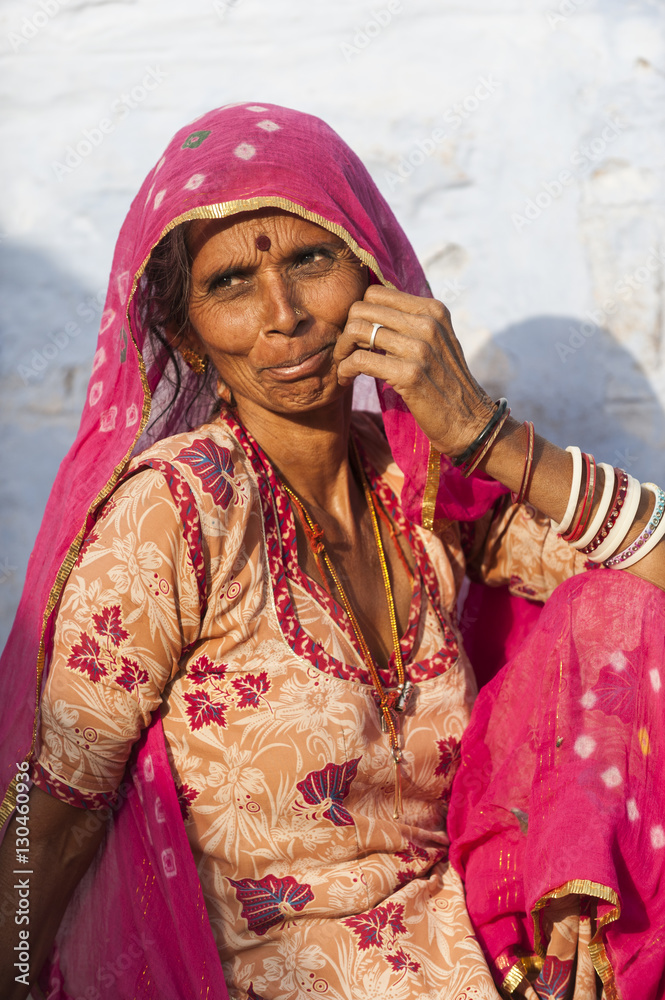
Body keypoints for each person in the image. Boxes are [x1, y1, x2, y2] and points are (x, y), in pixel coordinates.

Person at [0, 103, 663, 1000]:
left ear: (372, 273)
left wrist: (481, 433)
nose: (283, 315)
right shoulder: (177, 515)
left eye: (310, 258)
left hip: (468, 965)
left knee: (616, 615)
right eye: (232, 282)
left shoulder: (415, 482)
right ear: (190, 336)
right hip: (276, 980)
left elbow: (644, 586)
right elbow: (54, 818)